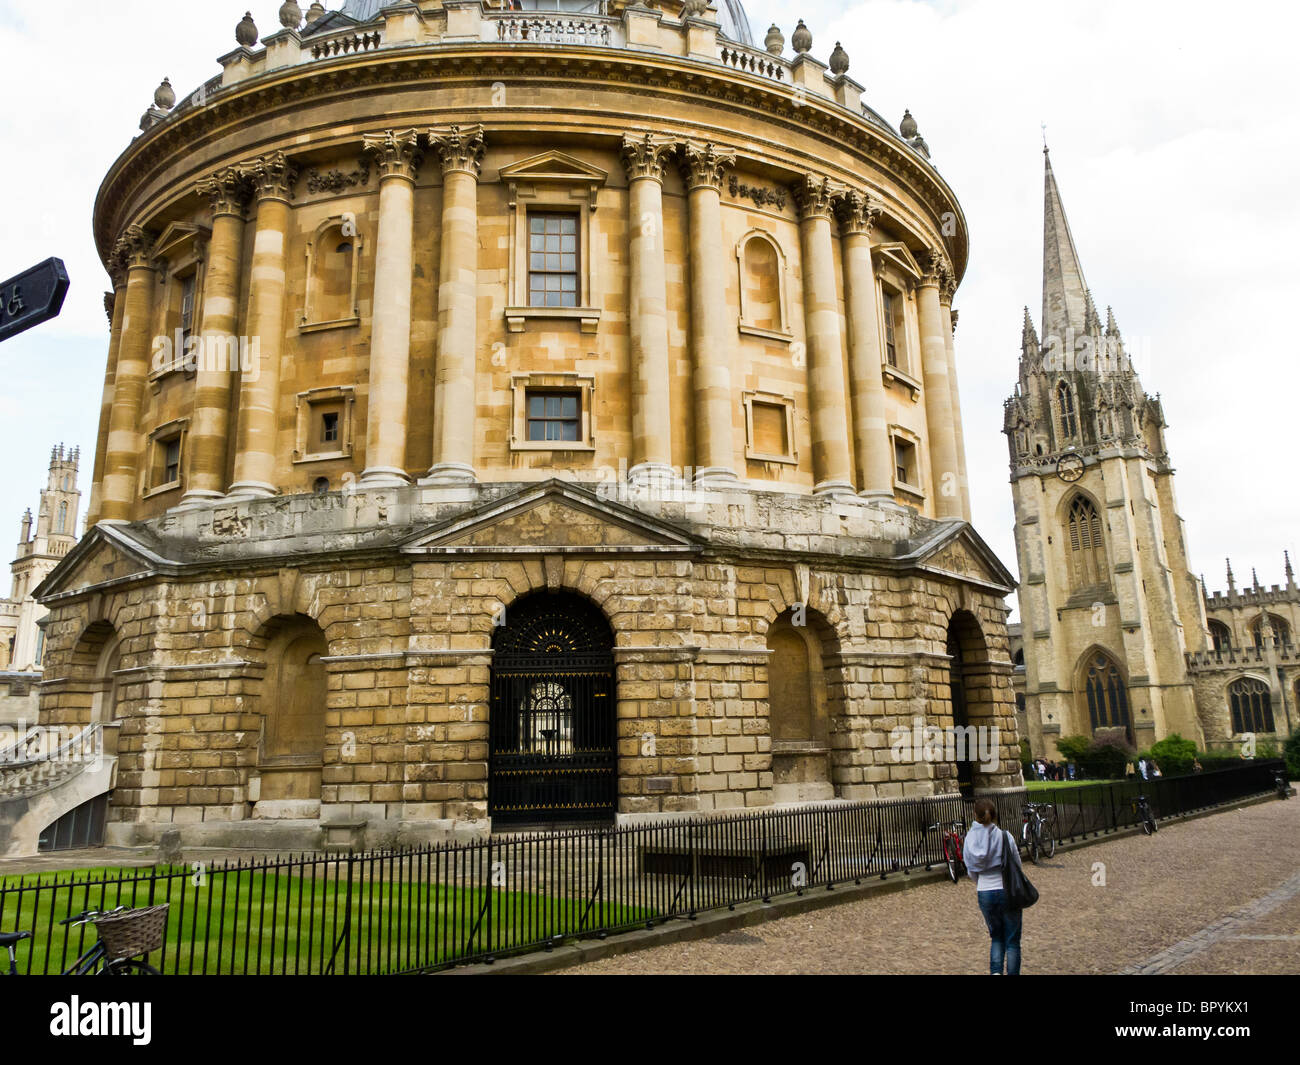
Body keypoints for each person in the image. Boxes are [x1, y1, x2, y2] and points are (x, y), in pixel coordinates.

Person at [964, 797, 1024, 975]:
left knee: (996, 937)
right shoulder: (1005, 836)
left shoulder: (970, 838)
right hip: (1006, 889)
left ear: (975, 815)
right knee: (1012, 941)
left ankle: (996, 973)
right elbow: (1017, 864)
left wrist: (980, 882)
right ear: (995, 815)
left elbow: (970, 868)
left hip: (985, 890)